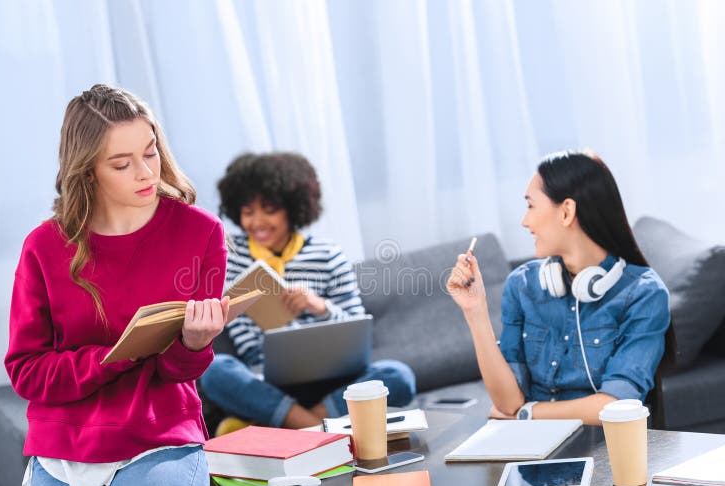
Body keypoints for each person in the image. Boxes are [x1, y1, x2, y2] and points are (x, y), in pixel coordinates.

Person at [5, 84, 228, 486]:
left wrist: (194, 343)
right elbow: (26, 370)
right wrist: (113, 358)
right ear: (88, 173)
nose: (146, 173)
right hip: (65, 442)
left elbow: (179, 374)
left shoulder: (200, 233)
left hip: (159, 434)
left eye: (151, 153)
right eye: (122, 164)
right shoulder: (44, 248)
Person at [447, 150, 673, 426]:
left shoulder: (644, 294)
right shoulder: (522, 284)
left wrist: (526, 414)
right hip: (531, 448)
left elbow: (616, 405)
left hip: (605, 449)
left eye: (530, 206)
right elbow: (507, 402)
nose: (524, 221)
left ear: (566, 211)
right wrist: (475, 311)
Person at [199, 152, 416, 432]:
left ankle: (286, 425)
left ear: (293, 208)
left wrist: (320, 307)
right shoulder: (232, 256)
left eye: (269, 210)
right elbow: (247, 346)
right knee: (216, 370)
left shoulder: (328, 254)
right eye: (248, 212)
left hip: (334, 380)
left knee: (398, 376)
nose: (257, 223)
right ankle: (321, 429)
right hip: (270, 381)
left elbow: (357, 332)